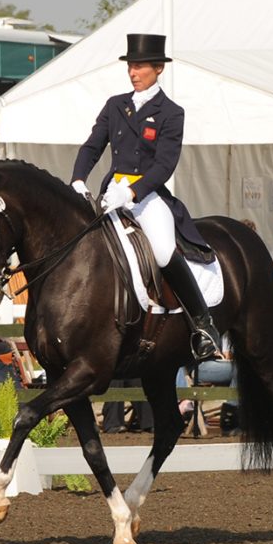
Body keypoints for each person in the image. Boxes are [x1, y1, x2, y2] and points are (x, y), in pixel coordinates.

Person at [70, 33, 219, 360]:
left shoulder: (171, 112)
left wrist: (133, 191)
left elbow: (165, 164)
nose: (133, 73)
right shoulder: (115, 105)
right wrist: (79, 179)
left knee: (164, 252)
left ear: (158, 69)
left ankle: (203, 325)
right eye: (131, 67)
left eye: (139, 67)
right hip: (112, 193)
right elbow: (93, 146)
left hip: (147, 196)